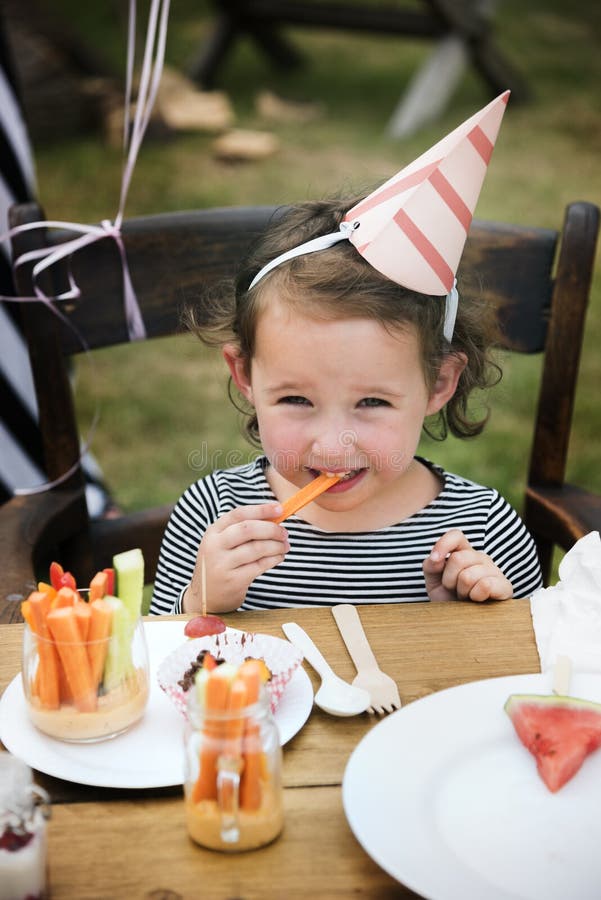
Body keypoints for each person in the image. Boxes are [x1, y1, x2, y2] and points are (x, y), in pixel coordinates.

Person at [150, 91, 543, 615]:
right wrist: (199, 601)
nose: (333, 447)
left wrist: (479, 618)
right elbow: (164, 669)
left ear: (439, 384)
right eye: (295, 400)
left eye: (373, 403)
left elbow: (524, 672)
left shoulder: (484, 528)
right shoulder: (212, 516)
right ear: (244, 375)